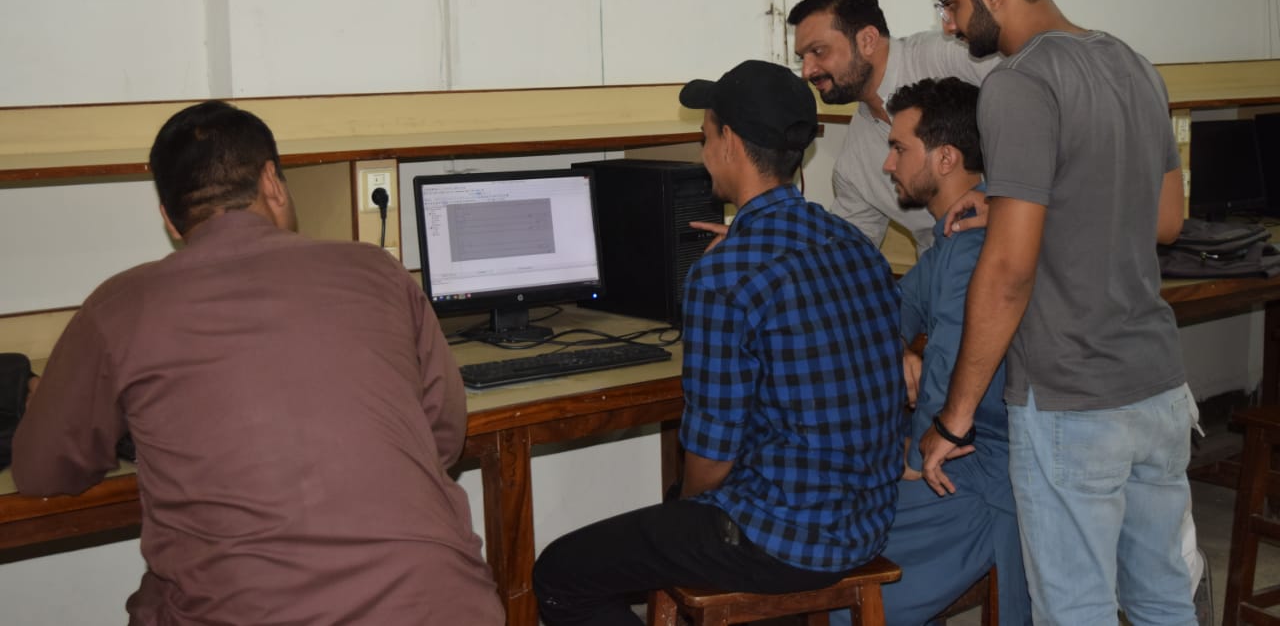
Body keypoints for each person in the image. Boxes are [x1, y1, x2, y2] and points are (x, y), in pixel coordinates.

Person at [12, 101, 504, 626]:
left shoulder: (119, 305)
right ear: (272, 182)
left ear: (170, 221)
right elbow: (443, 436)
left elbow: (43, 470)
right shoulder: (378, 271)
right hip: (444, 607)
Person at [532, 60, 904, 626]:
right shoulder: (853, 245)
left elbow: (712, 455)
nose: (703, 151)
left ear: (729, 142)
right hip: (863, 525)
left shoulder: (723, 274)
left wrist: (684, 511)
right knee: (679, 511)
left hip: (778, 541)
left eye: (705, 136)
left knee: (562, 573)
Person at [916, 0, 1197, 625]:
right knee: (1163, 600)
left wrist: (955, 418)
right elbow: (1166, 220)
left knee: (1076, 609)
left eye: (951, 3)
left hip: (1073, 402)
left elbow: (1008, 275)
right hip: (1158, 388)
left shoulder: (1018, 83)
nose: (949, 24)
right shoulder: (1134, 64)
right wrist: (1015, 198)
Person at [829, 76, 1032, 626]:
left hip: (975, 472)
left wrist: (913, 460)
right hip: (968, 459)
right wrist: (898, 348)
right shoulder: (952, 239)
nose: (888, 164)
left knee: (836, 576)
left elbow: (947, 375)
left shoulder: (971, 247)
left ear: (945, 158)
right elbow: (888, 314)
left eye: (899, 149)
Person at [787, 0, 998, 252]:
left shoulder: (952, 55)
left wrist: (1003, 202)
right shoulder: (853, 165)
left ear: (867, 40)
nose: (806, 71)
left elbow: (1041, 97)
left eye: (818, 51)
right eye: (801, 58)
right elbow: (848, 256)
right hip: (941, 274)